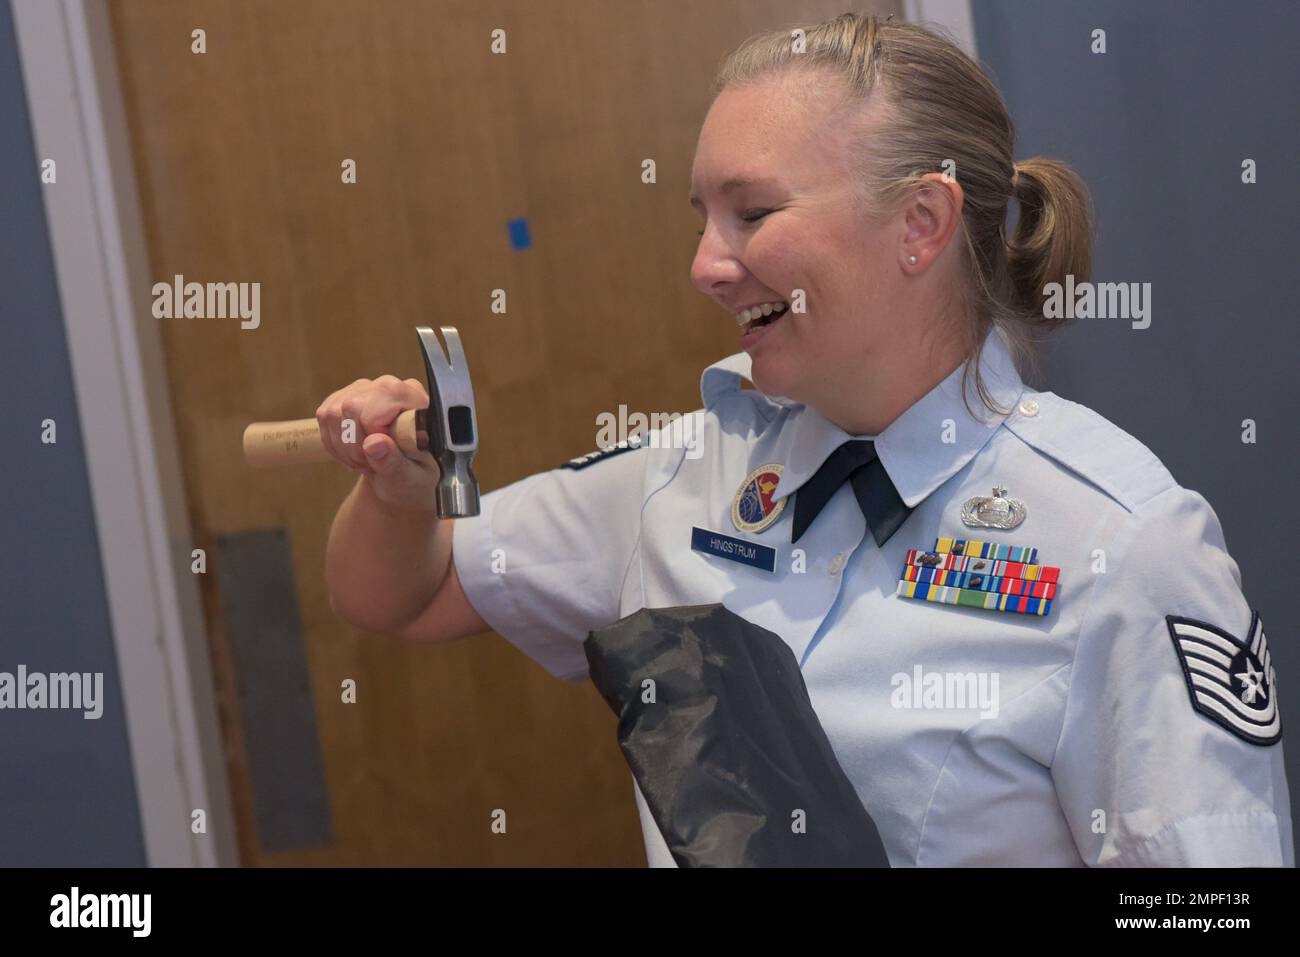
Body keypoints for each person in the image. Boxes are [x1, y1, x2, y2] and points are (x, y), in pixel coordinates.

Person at [318, 14, 1293, 867]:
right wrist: (395, 496)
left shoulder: (1119, 544)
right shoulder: (680, 480)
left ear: (920, 222)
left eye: (753, 212)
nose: (705, 265)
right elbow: (403, 593)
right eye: (700, 217)